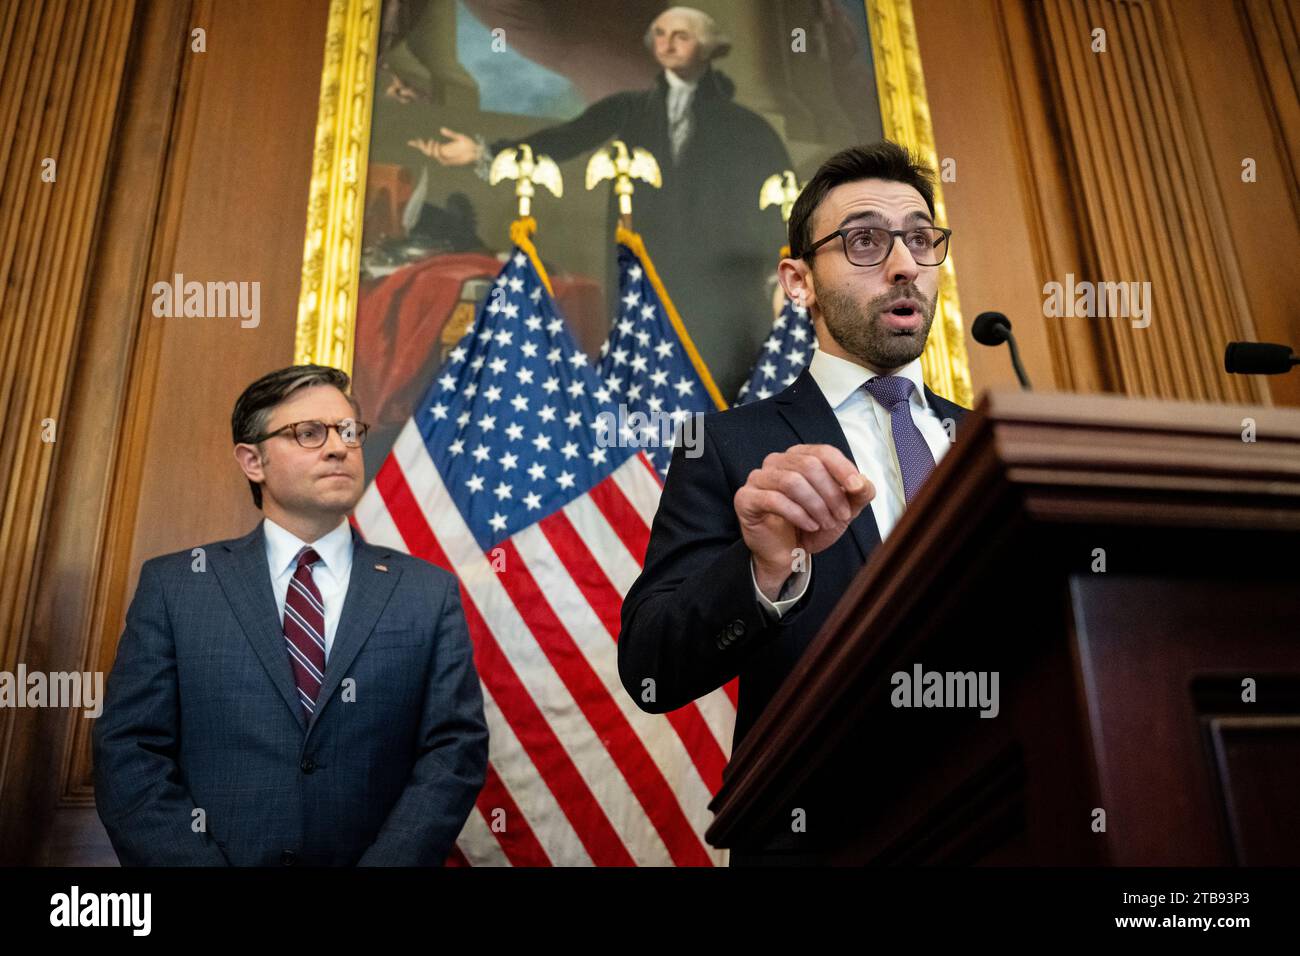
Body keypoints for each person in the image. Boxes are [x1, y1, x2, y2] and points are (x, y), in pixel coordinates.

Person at [617, 142, 970, 864]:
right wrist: (762, 570)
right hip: (822, 837)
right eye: (866, 240)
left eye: (922, 240)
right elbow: (651, 666)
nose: (905, 264)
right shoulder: (722, 444)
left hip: (1002, 817)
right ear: (798, 281)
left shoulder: (982, 443)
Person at [93, 365, 488, 865]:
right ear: (252, 460)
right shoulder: (177, 586)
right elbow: (130, 750)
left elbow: (454, 751)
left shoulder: (427, 593)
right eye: (308, 433)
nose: (338, 447)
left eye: (348, 431)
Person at [411, 6, 791, 400]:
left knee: (716, 390)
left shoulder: (749, 128)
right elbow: (567, 138)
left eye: (681, 35)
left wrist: (775, 279)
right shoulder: (631, 108)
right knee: (651, 389)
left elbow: (777, 204)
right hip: (651, 273)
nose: (667, 43)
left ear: (709, 47)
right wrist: (481, 152)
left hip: (719, 285)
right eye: (660, 33)